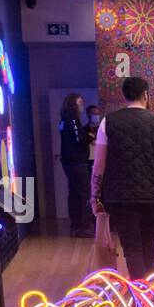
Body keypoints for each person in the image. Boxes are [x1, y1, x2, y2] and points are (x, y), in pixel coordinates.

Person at [89, 76, 154, 280]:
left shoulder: (107, 123)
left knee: (132, 249)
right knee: (149, 249)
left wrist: (94, 198)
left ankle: (140, 296)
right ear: (146, 95)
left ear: (124, 95)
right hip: (153, 196)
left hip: (121, 197)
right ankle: (147, 295)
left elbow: (99, 165)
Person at [59, 93, 94, 237]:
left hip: (70, 161)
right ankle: (85, 226)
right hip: (77, 162)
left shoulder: (64, 120)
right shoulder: (72, 120)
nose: (82, 105)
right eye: (80, 103)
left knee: (74, 193)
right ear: (73, 104)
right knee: (85, 193)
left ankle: (76, 225)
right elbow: (78, 138)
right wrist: (89, 137)